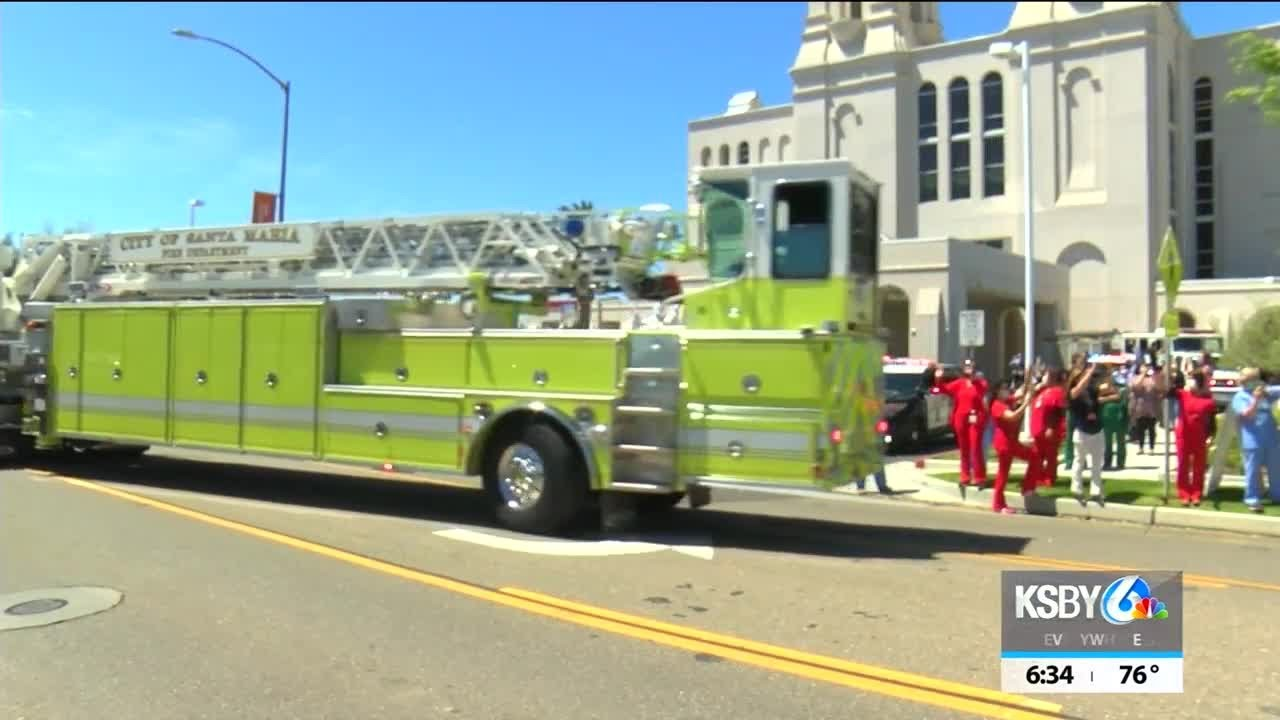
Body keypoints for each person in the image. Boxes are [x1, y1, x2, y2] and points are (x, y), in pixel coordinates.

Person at [1162, 363, 1218, 507]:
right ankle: (1184, 494)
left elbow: (1211, 420)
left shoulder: (1208, 400)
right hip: (1183, 434)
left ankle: (1196, 494)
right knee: (1183, 465)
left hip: (1200, 436)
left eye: (1197, 380)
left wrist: (1211, 435)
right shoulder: (1183, 394)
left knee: (1199, 466)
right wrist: (1174, 379)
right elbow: (1168, 394)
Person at [934, 358, 989, 489]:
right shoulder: (959, 383)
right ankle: (965, 476)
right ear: (963, 369)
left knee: (975, 447)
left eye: (971, 366)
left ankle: (979, 477)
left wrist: (975, 379)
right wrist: (938, 378)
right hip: (961, 418)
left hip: (975, 418)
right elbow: (943, 389)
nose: (969, 368)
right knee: (964, 449)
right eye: (967, 366)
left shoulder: (981, 383)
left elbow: (983, 393)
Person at [989, 377, 1041, 514]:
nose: (1007, 391)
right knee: (1003, 474)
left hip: (1012, 442)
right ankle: (998, 504)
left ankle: (1027, 488)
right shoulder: (996, 405)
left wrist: (1028, 378)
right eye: (1004, 388)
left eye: (1007, 388)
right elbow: (1012, 416)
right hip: (1004, 444)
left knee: (1035, 456)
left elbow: (1021, 392)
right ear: (997, 391)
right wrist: (1026, 404)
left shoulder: (1006, 401)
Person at [1231, 367, 1280, 513]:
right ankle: (1252, 499)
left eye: (1253, 379)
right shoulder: (1240, 397)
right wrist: (1256, 400)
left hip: (1271, 437)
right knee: (1252, 470)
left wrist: (1265, 391)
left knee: (1275, 469)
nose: (1249, 382)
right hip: (1252, 439)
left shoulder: (1265, 393)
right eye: (1246, 379)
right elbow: (1247, 415)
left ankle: (1276, 494)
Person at [1069, 362, 1107, 504]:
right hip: (1082, 432)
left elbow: (1107, 389)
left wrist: (1106, 374)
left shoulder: (1092, 390)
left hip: (1097, 430)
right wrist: (1089, 373)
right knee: (1079, 461)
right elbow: (1077, 390)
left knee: (1097, 463)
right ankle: (1076, 488)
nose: (1088, 378)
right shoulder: (1073, 392)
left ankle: (1096, 490)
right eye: (1082, 376)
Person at [1030, 368, 1068, 487]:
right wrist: (1038, 386)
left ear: (1052, 377)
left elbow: (1058, 411)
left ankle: (1049, 478)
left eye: (1045, 375)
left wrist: (1051, 427)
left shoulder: (1057, 392)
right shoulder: (1043, 390)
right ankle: (1039, 477)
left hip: (1049, 430)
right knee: (1038, 455)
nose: (1043, 377)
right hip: (1038, 430)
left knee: (1050, 455)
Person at [1061, 352, 1087, 470]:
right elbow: (1066, 389)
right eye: (1081, 361)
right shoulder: (1069, 374)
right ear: (1075, 362)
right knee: (1070, 436)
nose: (1083, 363)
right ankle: (1069, 460)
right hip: (1071, 408)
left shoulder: (1085, 374)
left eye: (1083, 361)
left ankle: (1082, 460)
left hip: (1082, 408)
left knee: (1083, 436)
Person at [1099, 366, 1128, 471]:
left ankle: (1121, 463)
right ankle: (1107, 463)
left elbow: (1121, 396)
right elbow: (1098, 399)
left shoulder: (1122, 386)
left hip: (1119, 416)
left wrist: (1107, 397)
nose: (1110, 376)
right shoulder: (1102, 387)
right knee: (1107, 442)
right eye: (1108, 374)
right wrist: (1110, 397)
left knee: (1121, 441)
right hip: (1106, 417)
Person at [1128, 364, 1160, 455]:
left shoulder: (1152, 379)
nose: (1145, 369)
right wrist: (1142, 375)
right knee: (1140, 429)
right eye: (1143, 368)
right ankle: (1141, 447)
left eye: (1146, 368)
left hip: (1151, 407)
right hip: (1139, 407)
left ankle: (1151, 448)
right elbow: (1135, 386)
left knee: (1151, 429)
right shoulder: (1135, 378)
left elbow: (1158, 389)